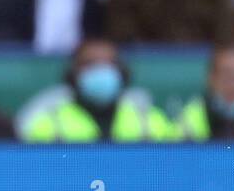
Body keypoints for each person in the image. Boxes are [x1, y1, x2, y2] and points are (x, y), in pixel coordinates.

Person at [21, 37, 179, 141]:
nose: (101, 71)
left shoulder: (150, 122)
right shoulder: (47, 125)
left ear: (122, 73)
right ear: (72, 74)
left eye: (109, 63)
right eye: (90, 64)